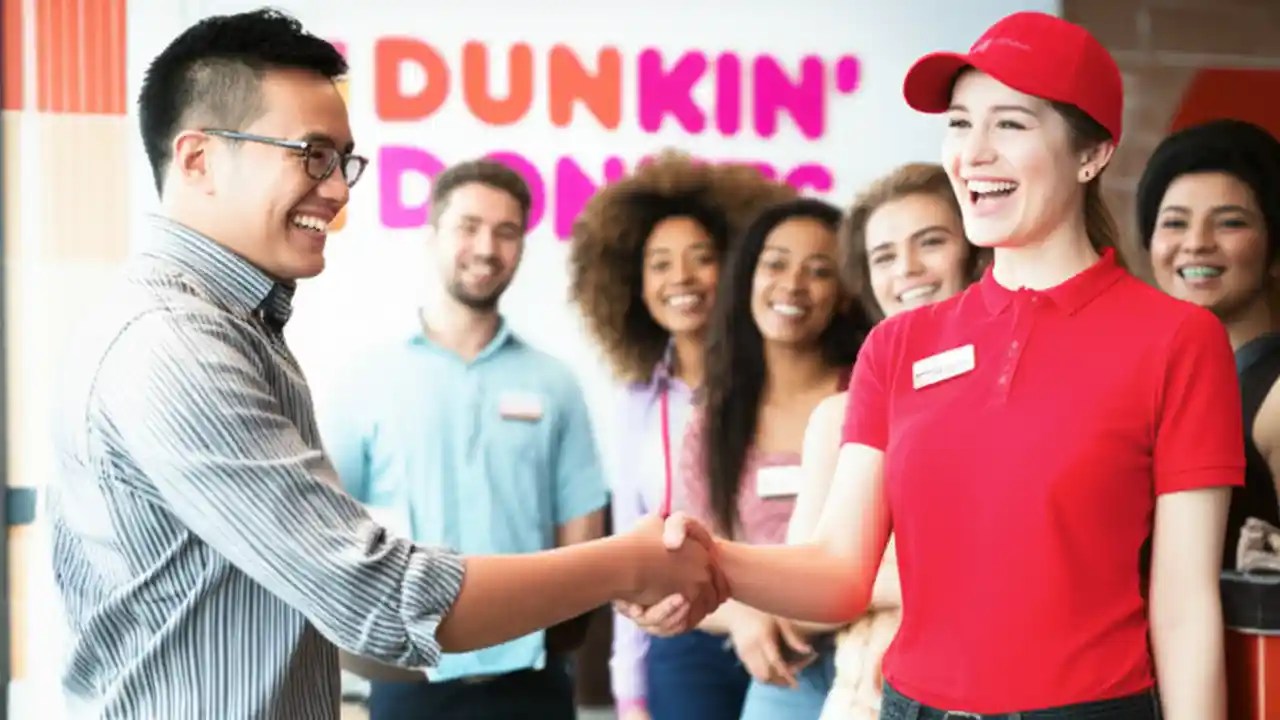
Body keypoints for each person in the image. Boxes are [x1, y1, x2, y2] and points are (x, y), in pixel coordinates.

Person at [47, 9, 725, 719]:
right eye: (310, 154)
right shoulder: (176, 346)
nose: (339, 190)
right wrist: (631, 563)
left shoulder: (238, 332)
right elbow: (378, 597)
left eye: (343, 161)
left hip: (526, 675)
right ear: (198, 160)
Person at [626, 11, 1241, 719]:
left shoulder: (1176, 339)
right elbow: (839, 572)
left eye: (1010, 125)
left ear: (1092, 153)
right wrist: (710, 562)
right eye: (958, 123)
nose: (973, 153)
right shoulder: (899, 345)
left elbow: (1186, 604)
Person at [320, 159, 609, 719]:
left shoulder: (556, 384)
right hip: (408, 677)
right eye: (469, 226)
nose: (487, 247)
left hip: (533, 681)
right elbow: (330, 530)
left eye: (506, 232)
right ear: (432, 237)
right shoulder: (366, 380)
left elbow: (585, 538)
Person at [568, 150, 797, 720]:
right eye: (660, 264)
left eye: (701, 258)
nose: (682, 279)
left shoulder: (783, 382)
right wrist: (631, 696)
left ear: (736, 267)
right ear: (633, 283)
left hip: (794, 627)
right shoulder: (635, 405)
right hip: (685, 641)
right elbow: (629, 548)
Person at [788, 162, 985, 720]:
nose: (908, 270)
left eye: (930, 242)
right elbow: (807, 595)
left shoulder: (1030, 394)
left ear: (977, 252)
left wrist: (868, 576)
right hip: (866, 703)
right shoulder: (840, 417)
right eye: (884, 256)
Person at [665, 197, 868, 720]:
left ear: (845, 294)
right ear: (748, 277)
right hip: (784, 671)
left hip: (875, 651)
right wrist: (742, 617)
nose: (793, 285)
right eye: (775, 263)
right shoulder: (715, 418)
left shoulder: (871, 394)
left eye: (819, 271)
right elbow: (692, 564)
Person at [1139, 118, 1280, 569]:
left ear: (1275, 253)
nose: (1196, 244)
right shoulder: (1157, 380)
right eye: (1175, 223)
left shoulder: (1274, 396)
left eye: (1230, 223)